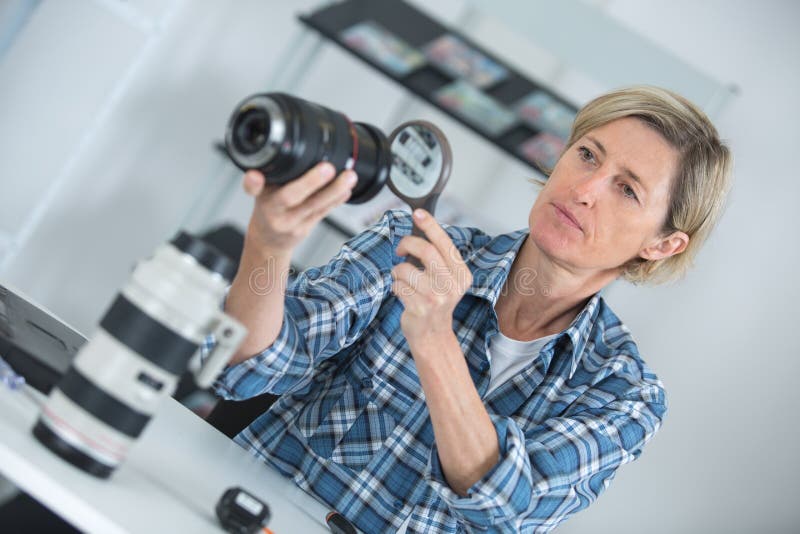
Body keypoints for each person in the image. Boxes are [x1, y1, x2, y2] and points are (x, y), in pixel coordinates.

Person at [203, 85, 732, 532]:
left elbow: (502, 505)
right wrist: (269, 243)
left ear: (662, 245)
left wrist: (435, 335)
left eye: (627, 189)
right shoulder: (410, 245)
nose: (586, 189)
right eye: (588, 155)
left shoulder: (625, 396)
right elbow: (243, 368)